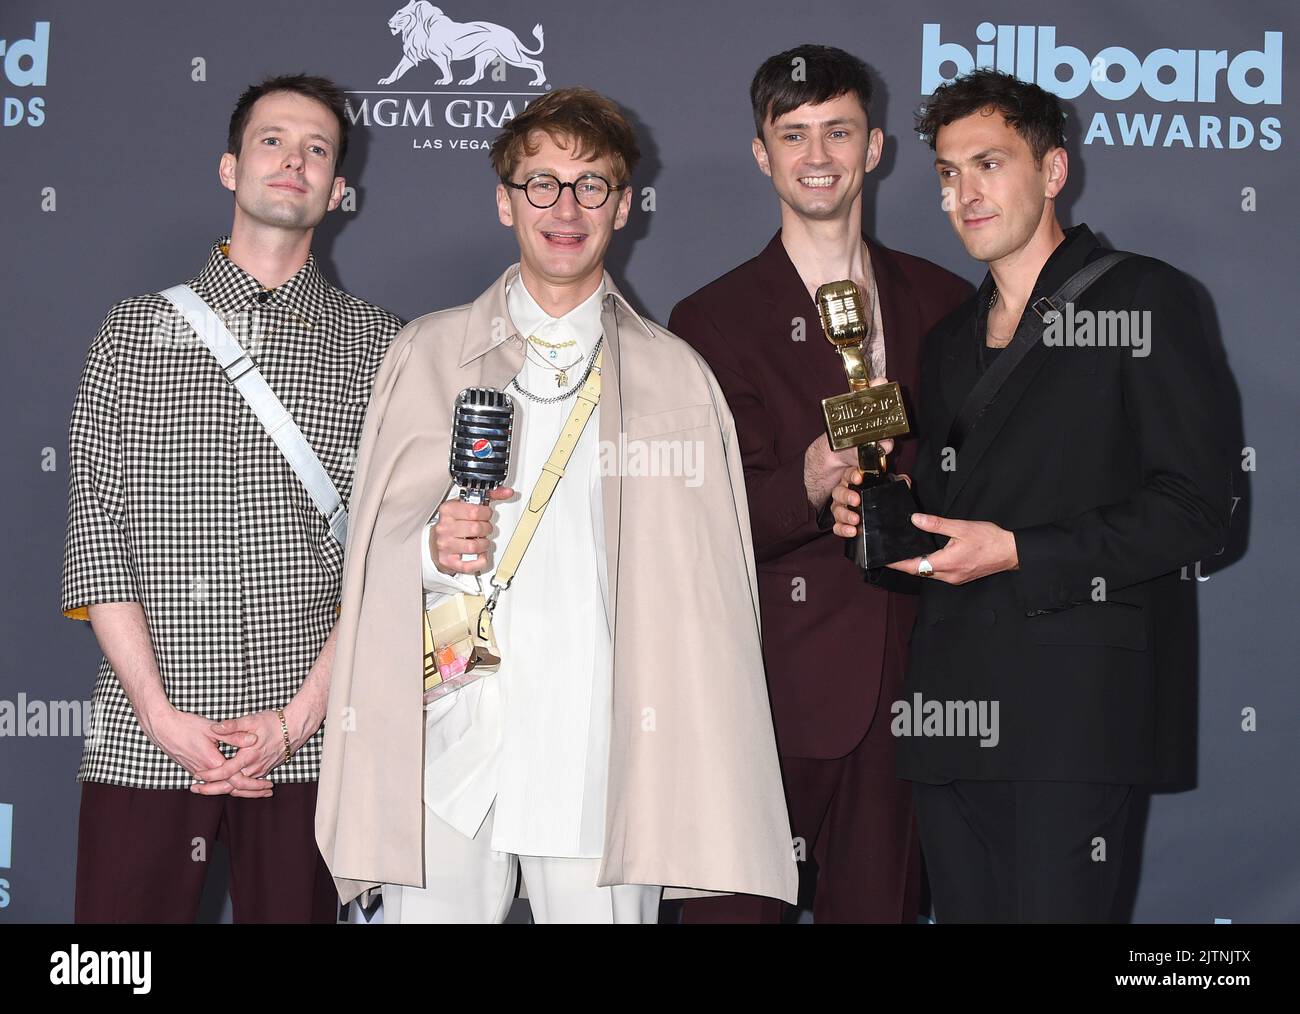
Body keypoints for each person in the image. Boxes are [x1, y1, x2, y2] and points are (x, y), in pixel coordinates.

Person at [315, 86, 797, 923]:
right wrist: (431, 550)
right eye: (541, 183)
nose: (565, 207)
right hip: (447, 745)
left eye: (591, 184)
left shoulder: (675, 376)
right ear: (505, 201)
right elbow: (365, 563)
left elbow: (711, 605)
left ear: (624, 205)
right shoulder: (426, 354)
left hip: (601, 760)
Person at [828, 69, 1233, 922]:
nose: (964, 194)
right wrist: (884, 523)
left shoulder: (1145, 297)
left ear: (1052, 172)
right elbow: (950, 527)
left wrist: (1021, 551)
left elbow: (1201, 511)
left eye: (988, 164)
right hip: (947, 715)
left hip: (1072, 715)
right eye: (946, 172)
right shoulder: (945, 343)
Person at [61, 74, 402, 923]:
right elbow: (96, 539)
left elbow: (386, 562)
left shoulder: (383, 346)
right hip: (146, 738)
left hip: (314, 746)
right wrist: (160, 716)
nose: (295, 160)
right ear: (230, 168)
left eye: (318, 149)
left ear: (339, 187)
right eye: (273, 141)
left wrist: (296, 720)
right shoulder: (133, 332)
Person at [668, 45, 970, 922]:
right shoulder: (709, 320)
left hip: (913, 691)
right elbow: (693, 520)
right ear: (762, 155)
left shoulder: (946, 298)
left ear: (874, 146)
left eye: (838, 132)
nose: (817, 156)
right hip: (763, 695)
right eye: (792, 135)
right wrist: (804, 483)